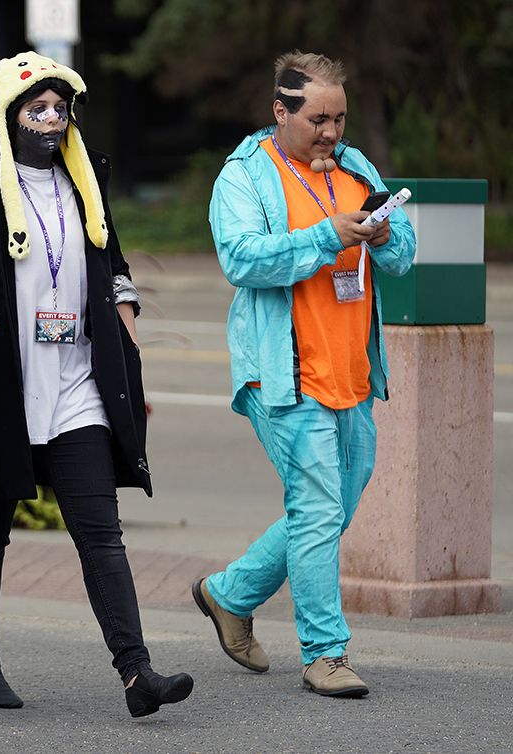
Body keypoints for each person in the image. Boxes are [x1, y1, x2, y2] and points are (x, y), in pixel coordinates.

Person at [0, 52, 194, 718]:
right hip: (1, 384)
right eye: (39, 109)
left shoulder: (85, 179)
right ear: (9, 115)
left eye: (61, 109)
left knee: (101, 533)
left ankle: (137, 673)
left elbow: (111, 259)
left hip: (78, 384)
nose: (53, 120)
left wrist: (126, 314)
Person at [195, 51, 415, 697]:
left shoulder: (356, 167)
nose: (331, 132)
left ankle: (229, 594)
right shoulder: (244, 175)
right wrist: (326, 236)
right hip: (283, 374)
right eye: (318, 119)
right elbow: (241, 259)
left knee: (328, 511)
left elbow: (403, 254)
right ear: (280, 111)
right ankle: (326, 654)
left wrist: (383, 238)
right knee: (318, 508)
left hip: (352, 372)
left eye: (340, 118)